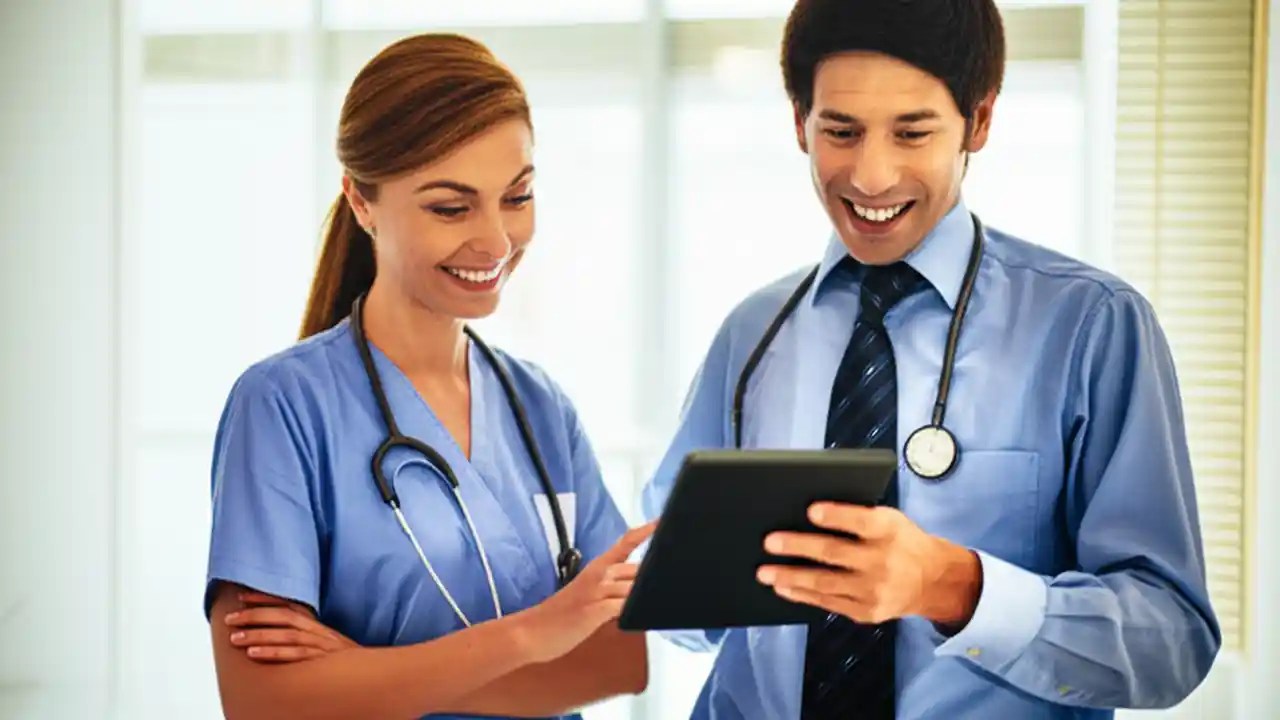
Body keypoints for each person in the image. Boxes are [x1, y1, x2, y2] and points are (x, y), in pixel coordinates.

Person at [640, 0, 1220, 718]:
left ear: (979, 121)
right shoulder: (755, 333)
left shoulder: (1090, 326)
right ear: (800, 123)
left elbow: (1173, 643)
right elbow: (681, 606)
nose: (872, 176)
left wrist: (956, 587)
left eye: (912, 132)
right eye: (840, 132)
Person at [204, 33, 652, 720]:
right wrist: (535, 637)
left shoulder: (540, 409)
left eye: (517, 196)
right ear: (361, 202)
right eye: (451, 207)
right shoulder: (283, 408)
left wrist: (357, 675)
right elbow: (262, 702)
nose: (497, 242)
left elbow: (620, 660)